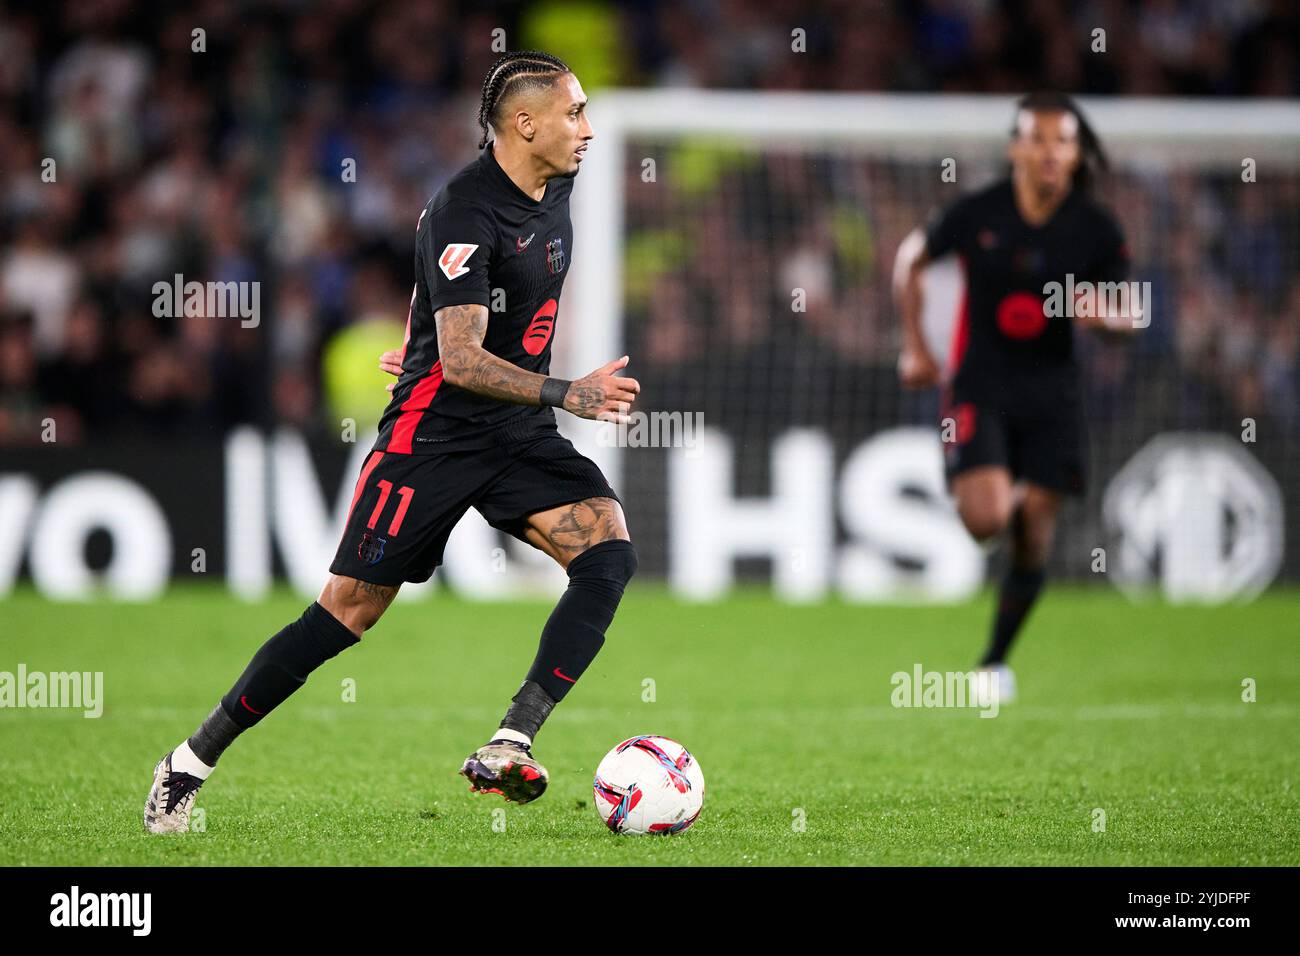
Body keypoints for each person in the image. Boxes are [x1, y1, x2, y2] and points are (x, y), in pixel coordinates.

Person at [145, 51, 640, 832]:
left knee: (608, 552)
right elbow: (462, 360)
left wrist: (429, 348)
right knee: (346, 613)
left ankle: (511, 740)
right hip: (432, 438)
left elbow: (445, 318)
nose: (588, 129)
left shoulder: (559, 180)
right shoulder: (463, 213)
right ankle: (188, 763)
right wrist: (565, 391)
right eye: (574, 112)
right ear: (524, 124)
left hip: (513, 434)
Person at [893, 91, 1135, 701]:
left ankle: (994, 660)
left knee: (1033, 534)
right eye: (1038, 138)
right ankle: (998, 485)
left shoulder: (1096, 229)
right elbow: (910, 260)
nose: (1050, 152)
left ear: (1077, 153)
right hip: (981, 382)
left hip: (1054, 392)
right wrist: (917, 346)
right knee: (987, 520)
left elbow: (1133, 313)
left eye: (1063, 141)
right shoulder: (979, 213)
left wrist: (1104, 315)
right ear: (1016, 147)